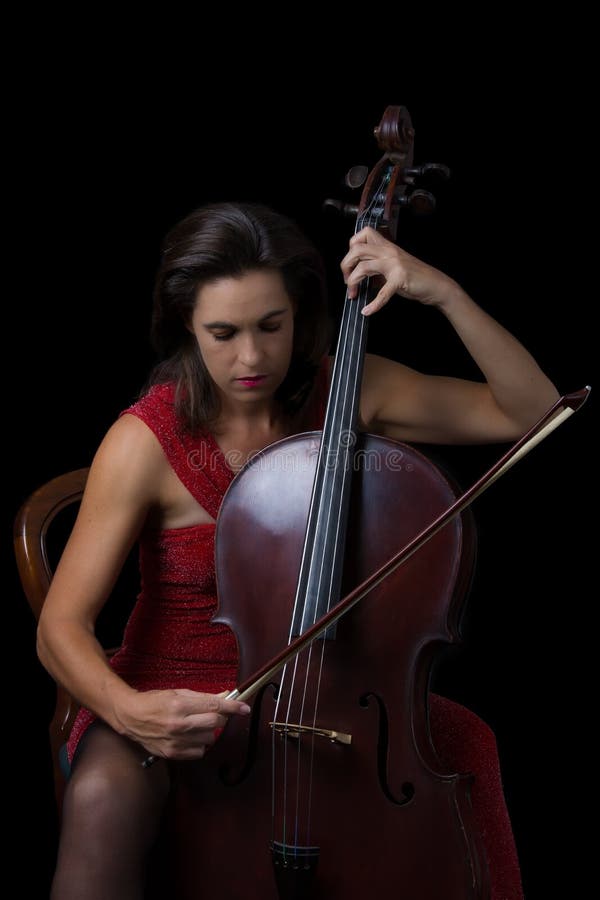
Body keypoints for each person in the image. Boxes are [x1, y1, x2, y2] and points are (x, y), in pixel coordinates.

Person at [36, 201, 559, 899]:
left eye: (270, 327)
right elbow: (60, 628)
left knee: (467, 741)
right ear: (187, 328)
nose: (250, 357)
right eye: (222, 333)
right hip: (170, 690)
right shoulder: (143, 440)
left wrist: (444, 292)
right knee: (102, 798)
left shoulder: (347, 393)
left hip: (334, 690)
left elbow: (531, 412)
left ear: (299, 317)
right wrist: (132, 712)